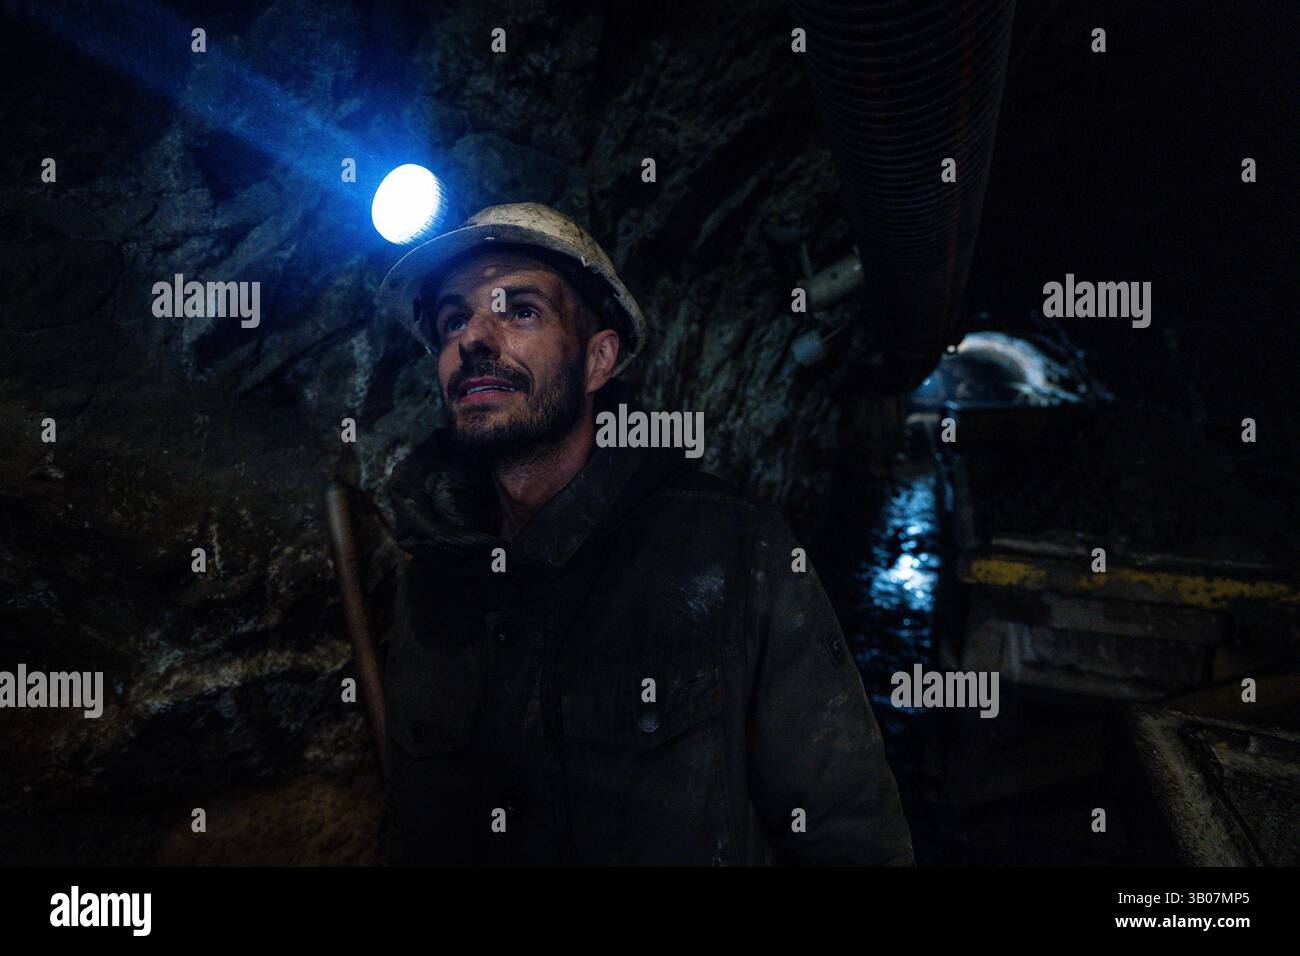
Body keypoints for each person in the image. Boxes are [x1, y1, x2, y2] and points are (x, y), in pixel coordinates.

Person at [375, 202, 913, 865]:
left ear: (599, 361)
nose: (474, 338)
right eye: (454, 318)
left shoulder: (737, 551)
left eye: (519, 310)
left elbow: (850, 839)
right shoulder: (432, 577)